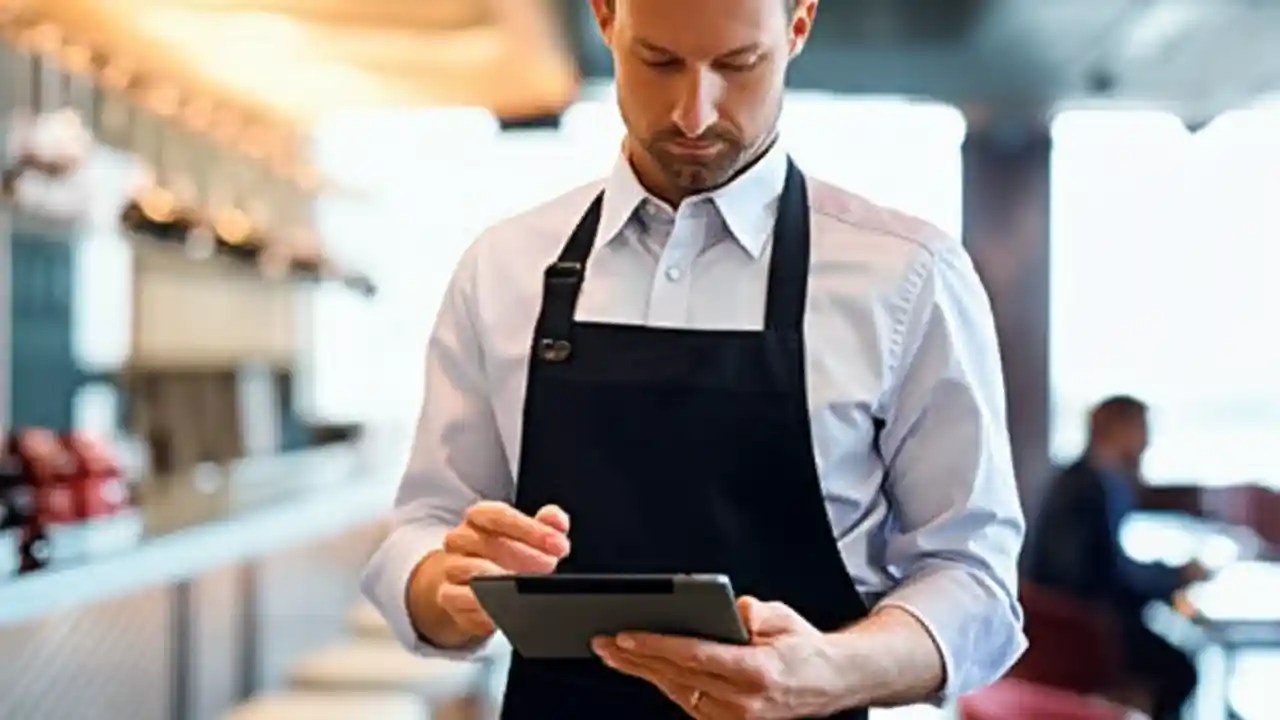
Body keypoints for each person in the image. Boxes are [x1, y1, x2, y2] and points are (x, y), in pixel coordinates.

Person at [362, 0, 1026, 717]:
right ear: (606, 17)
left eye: (739, 65)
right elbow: (426, 526)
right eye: (660, 62)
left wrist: (835, 670)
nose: (693, 114)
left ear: (799, 25)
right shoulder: (504, 267)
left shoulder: (908, 277)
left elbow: (974, 581)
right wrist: (446, 588)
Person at [1026, 395, 1203, 720]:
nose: (1147, 441)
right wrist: (1173, 578)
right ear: (1119, 429)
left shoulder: (1088, 479)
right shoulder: (1088, 487)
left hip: (1070, 623)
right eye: (1142, 429)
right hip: (1083, 631)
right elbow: (1102, 576)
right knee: (1181, 670)